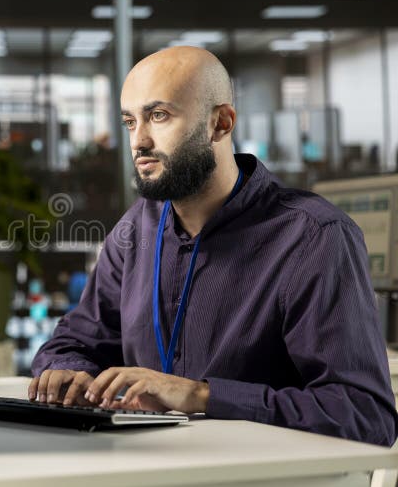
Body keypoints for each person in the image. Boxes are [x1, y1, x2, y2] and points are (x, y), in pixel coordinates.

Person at [29, 46, 398, 446]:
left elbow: (365, 415)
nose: (139, 141)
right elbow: (72, 342)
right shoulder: (136, 229)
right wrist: (68, 371)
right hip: (149, 463)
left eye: (159, 116)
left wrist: (201, 395)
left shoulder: (313, 237)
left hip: (259, 471)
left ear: (220, 123)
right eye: (130, 121)